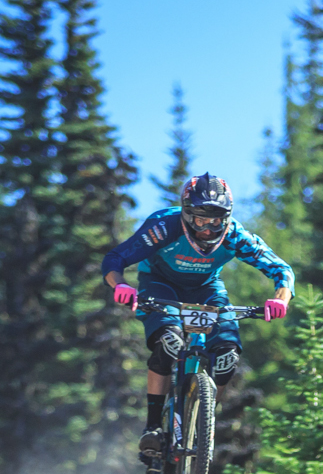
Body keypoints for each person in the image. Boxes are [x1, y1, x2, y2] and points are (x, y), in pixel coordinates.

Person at [100, 172, 295, 456]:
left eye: (216, 219)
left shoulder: (234, 236)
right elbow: (115, 258)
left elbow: (281, 270)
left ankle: (204, 419)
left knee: (227, 355)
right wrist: (120, 286)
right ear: (186, 214)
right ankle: (153, 427)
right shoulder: (164, 227)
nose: (208, 228)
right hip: (160, 284)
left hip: (207, 289)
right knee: (169, 343)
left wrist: (281, 299)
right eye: (200, 219)